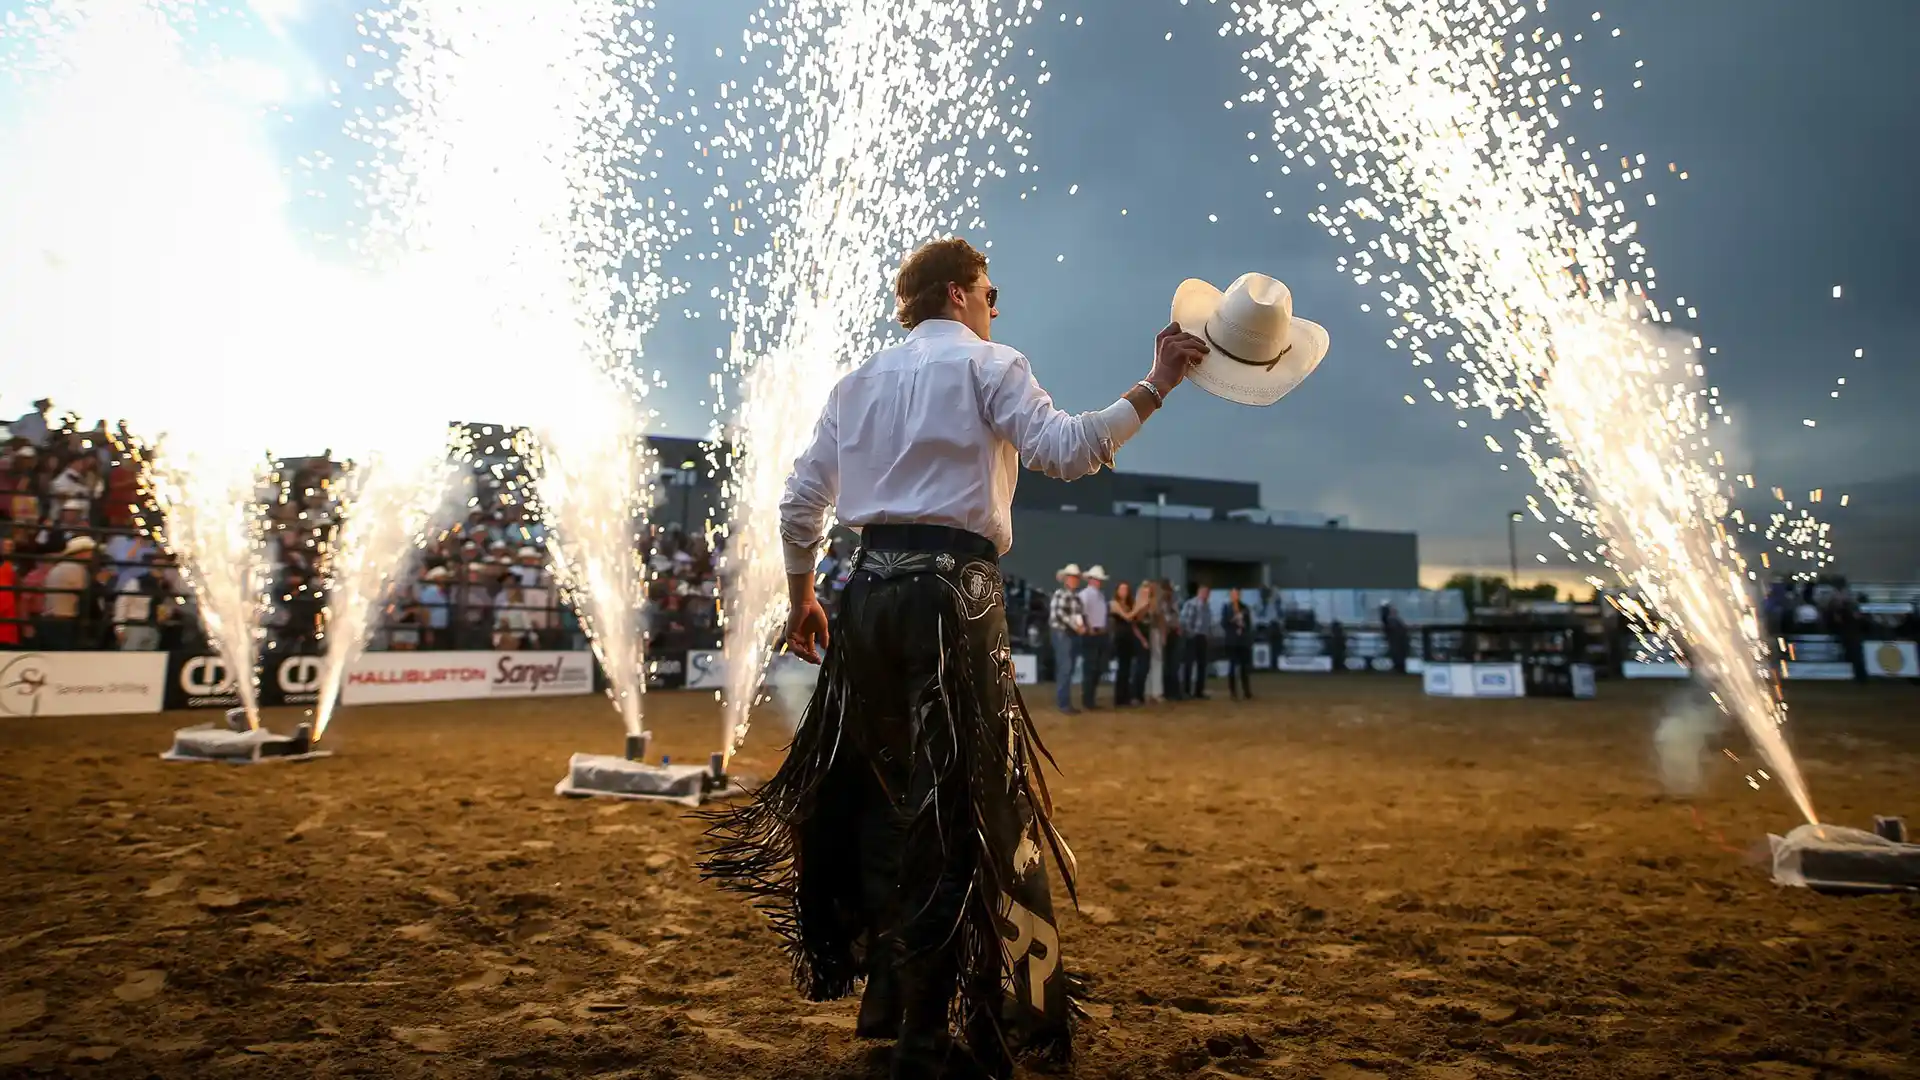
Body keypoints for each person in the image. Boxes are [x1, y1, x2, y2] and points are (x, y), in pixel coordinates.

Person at [700, 237, 1206, 1080]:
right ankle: (928, 1032)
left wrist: (801, 601)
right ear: (960, 294)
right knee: (965, 803)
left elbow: (798, 505)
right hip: (954, 597)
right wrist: (1156, 384)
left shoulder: (856, 383)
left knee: (878, 794)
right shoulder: (992, 365)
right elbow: (1070, 451)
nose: (997, 303)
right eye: (990, 289)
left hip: (866, 596)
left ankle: (896, 996)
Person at [1048, 563, 1086, 714]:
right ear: (1065, 579)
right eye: (1072, 577)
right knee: (1066, 667)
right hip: (1062, 633)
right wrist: (1078, 626)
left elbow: (1077, 616)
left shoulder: (1076, 597)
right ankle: (1064, 703)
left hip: (1069, 633)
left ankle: (1065, 702)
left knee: (1067, 668)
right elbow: (1060, 615)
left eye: (1076, 578)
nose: (1074, 580)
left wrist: (1081, 626)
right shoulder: (1060, 594)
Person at [1077, 566, 1110, 710]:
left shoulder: (1099, 595)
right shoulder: (1086, 594)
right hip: (1092, 633)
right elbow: (1081, 612)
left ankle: (1090, 698)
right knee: (1091, 668)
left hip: (1100, 633)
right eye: (1096, 579)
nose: (1098, 582)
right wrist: (1088, 627)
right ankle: (1088, 700)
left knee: (1096, 668)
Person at [1109, 580, 1144, 706]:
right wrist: (1138, 606)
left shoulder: (1130, 604)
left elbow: (1135, 621)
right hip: (1120, 637)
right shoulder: (1114, 603)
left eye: (1126, 589)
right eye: (1122, 589)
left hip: (1129, 637)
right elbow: (1127, 617)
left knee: (1128, 668)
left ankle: (1126, 696)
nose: (1124, 591)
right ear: (1117, 591)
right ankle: (1119, 698)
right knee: (1122, 668)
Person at [1179, 584, 1214, 700]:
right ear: (1199, 592)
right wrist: (1190, 633)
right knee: (1189, 664)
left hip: (1203, 637)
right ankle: (1186, 691)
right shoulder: (1190, 604)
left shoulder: (1207, 606)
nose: (1205, 595)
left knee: (1202, 665)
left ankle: (1199, 691)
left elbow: (1208, 623)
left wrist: (1208, 634)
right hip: (1192, 637)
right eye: (1204, 592)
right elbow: (1184, 620)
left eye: (1207, 593)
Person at [1223, 588, 1254, 700]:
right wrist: (1234, 619)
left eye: (1237, 594)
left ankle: (1246, 691)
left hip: (1243, 641)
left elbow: (1249, 625)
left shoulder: (1245, 608)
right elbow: (1224, 623)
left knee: (1244, 667)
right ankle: (1233, 692)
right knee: (1232, 667)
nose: (1235, 596)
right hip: (1232, 642)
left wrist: (1243, 626)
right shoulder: (1226, 608)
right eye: (1233, 594)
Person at [1157, 577, 1183, 701]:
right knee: (1167, 663)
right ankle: (1167, 691)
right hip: (1165, 633)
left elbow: (1177, 617)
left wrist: (1178, 627)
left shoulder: (1174, 602)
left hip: (1173, 633)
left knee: (1174, 663)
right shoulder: (1160, 603)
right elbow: (1162, 619)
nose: (1170, 593)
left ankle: (1175, 691)